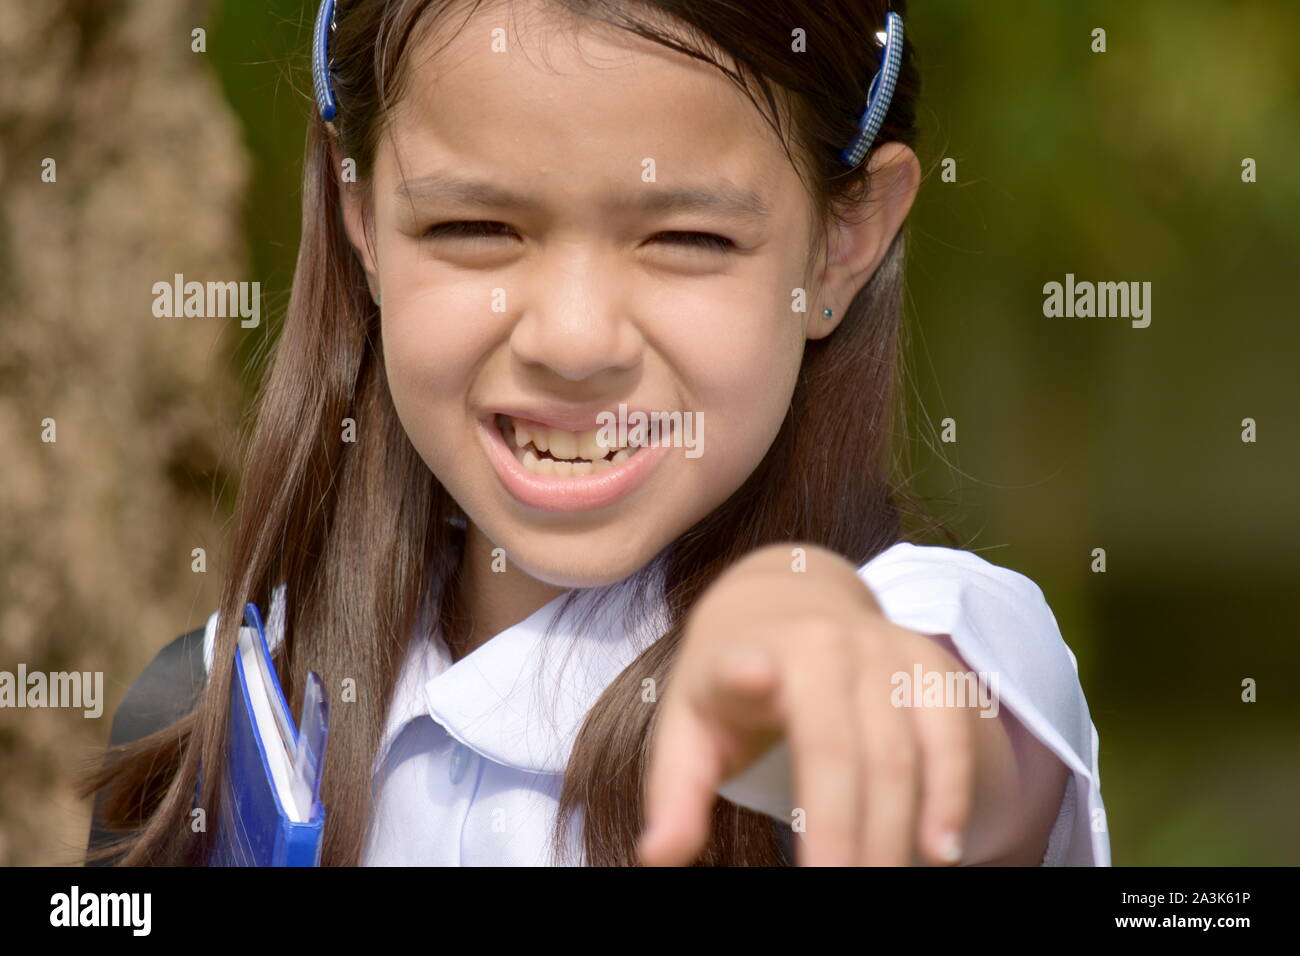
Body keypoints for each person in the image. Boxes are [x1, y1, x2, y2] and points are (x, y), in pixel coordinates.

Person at [82, 0, 1109, 867]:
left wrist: (808, 644)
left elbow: (956, 761)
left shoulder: (941, 629)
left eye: (689, 238)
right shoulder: (211, 722)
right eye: (473, 228)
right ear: (362, 226)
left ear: (843, 243)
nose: (574, 340)